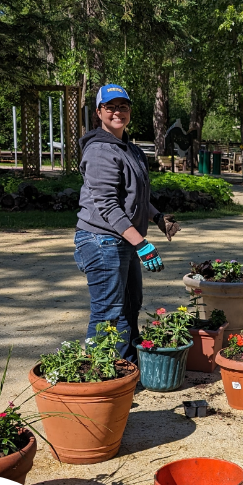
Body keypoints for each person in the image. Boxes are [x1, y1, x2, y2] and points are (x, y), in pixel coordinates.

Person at [75, 83, 180, 361]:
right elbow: (107, 205)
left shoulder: (130, 149)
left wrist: (158, 217)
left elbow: (135, 199)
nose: (117, 112)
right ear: (99, 112)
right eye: (110, 107)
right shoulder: (99, 150)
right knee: (107, 314)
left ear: (130, 110)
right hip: (101, 241)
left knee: (130, 308)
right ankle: (100, 378)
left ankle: (125, 370)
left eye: (123, 106)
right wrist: (142, 244)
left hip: (122, 240)